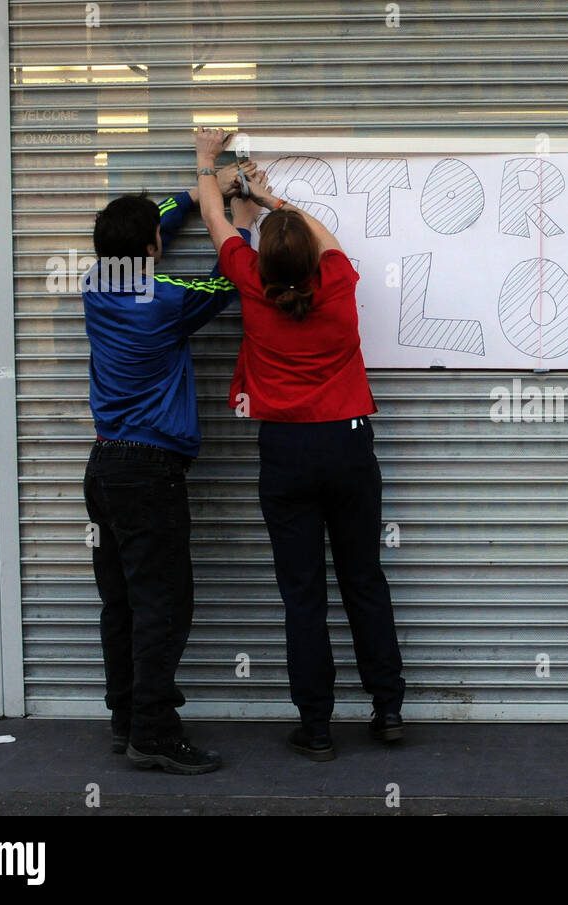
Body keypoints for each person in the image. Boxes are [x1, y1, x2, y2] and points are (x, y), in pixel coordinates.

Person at [192, 129, 406, 761]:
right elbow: (324, 237)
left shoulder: (251, 286)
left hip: (285, 452)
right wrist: (268, 197)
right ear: (311, 258)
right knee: (364, 578)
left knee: (302, 593)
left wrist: (210, 164)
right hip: (347, 446)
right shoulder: (338, 286)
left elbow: (212, 219)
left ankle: (315, 727)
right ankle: (387, 708)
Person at [83, 161, 253, 774]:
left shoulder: (95, 284)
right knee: (163, 604)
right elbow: (227, 281)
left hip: (104, 470)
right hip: (147, 473)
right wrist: (240, 218)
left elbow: (139, 227)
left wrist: (194, 188)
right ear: (153, 248)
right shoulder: (166, 303)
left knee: (122, 602)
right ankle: (153, 732)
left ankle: (126, 718)